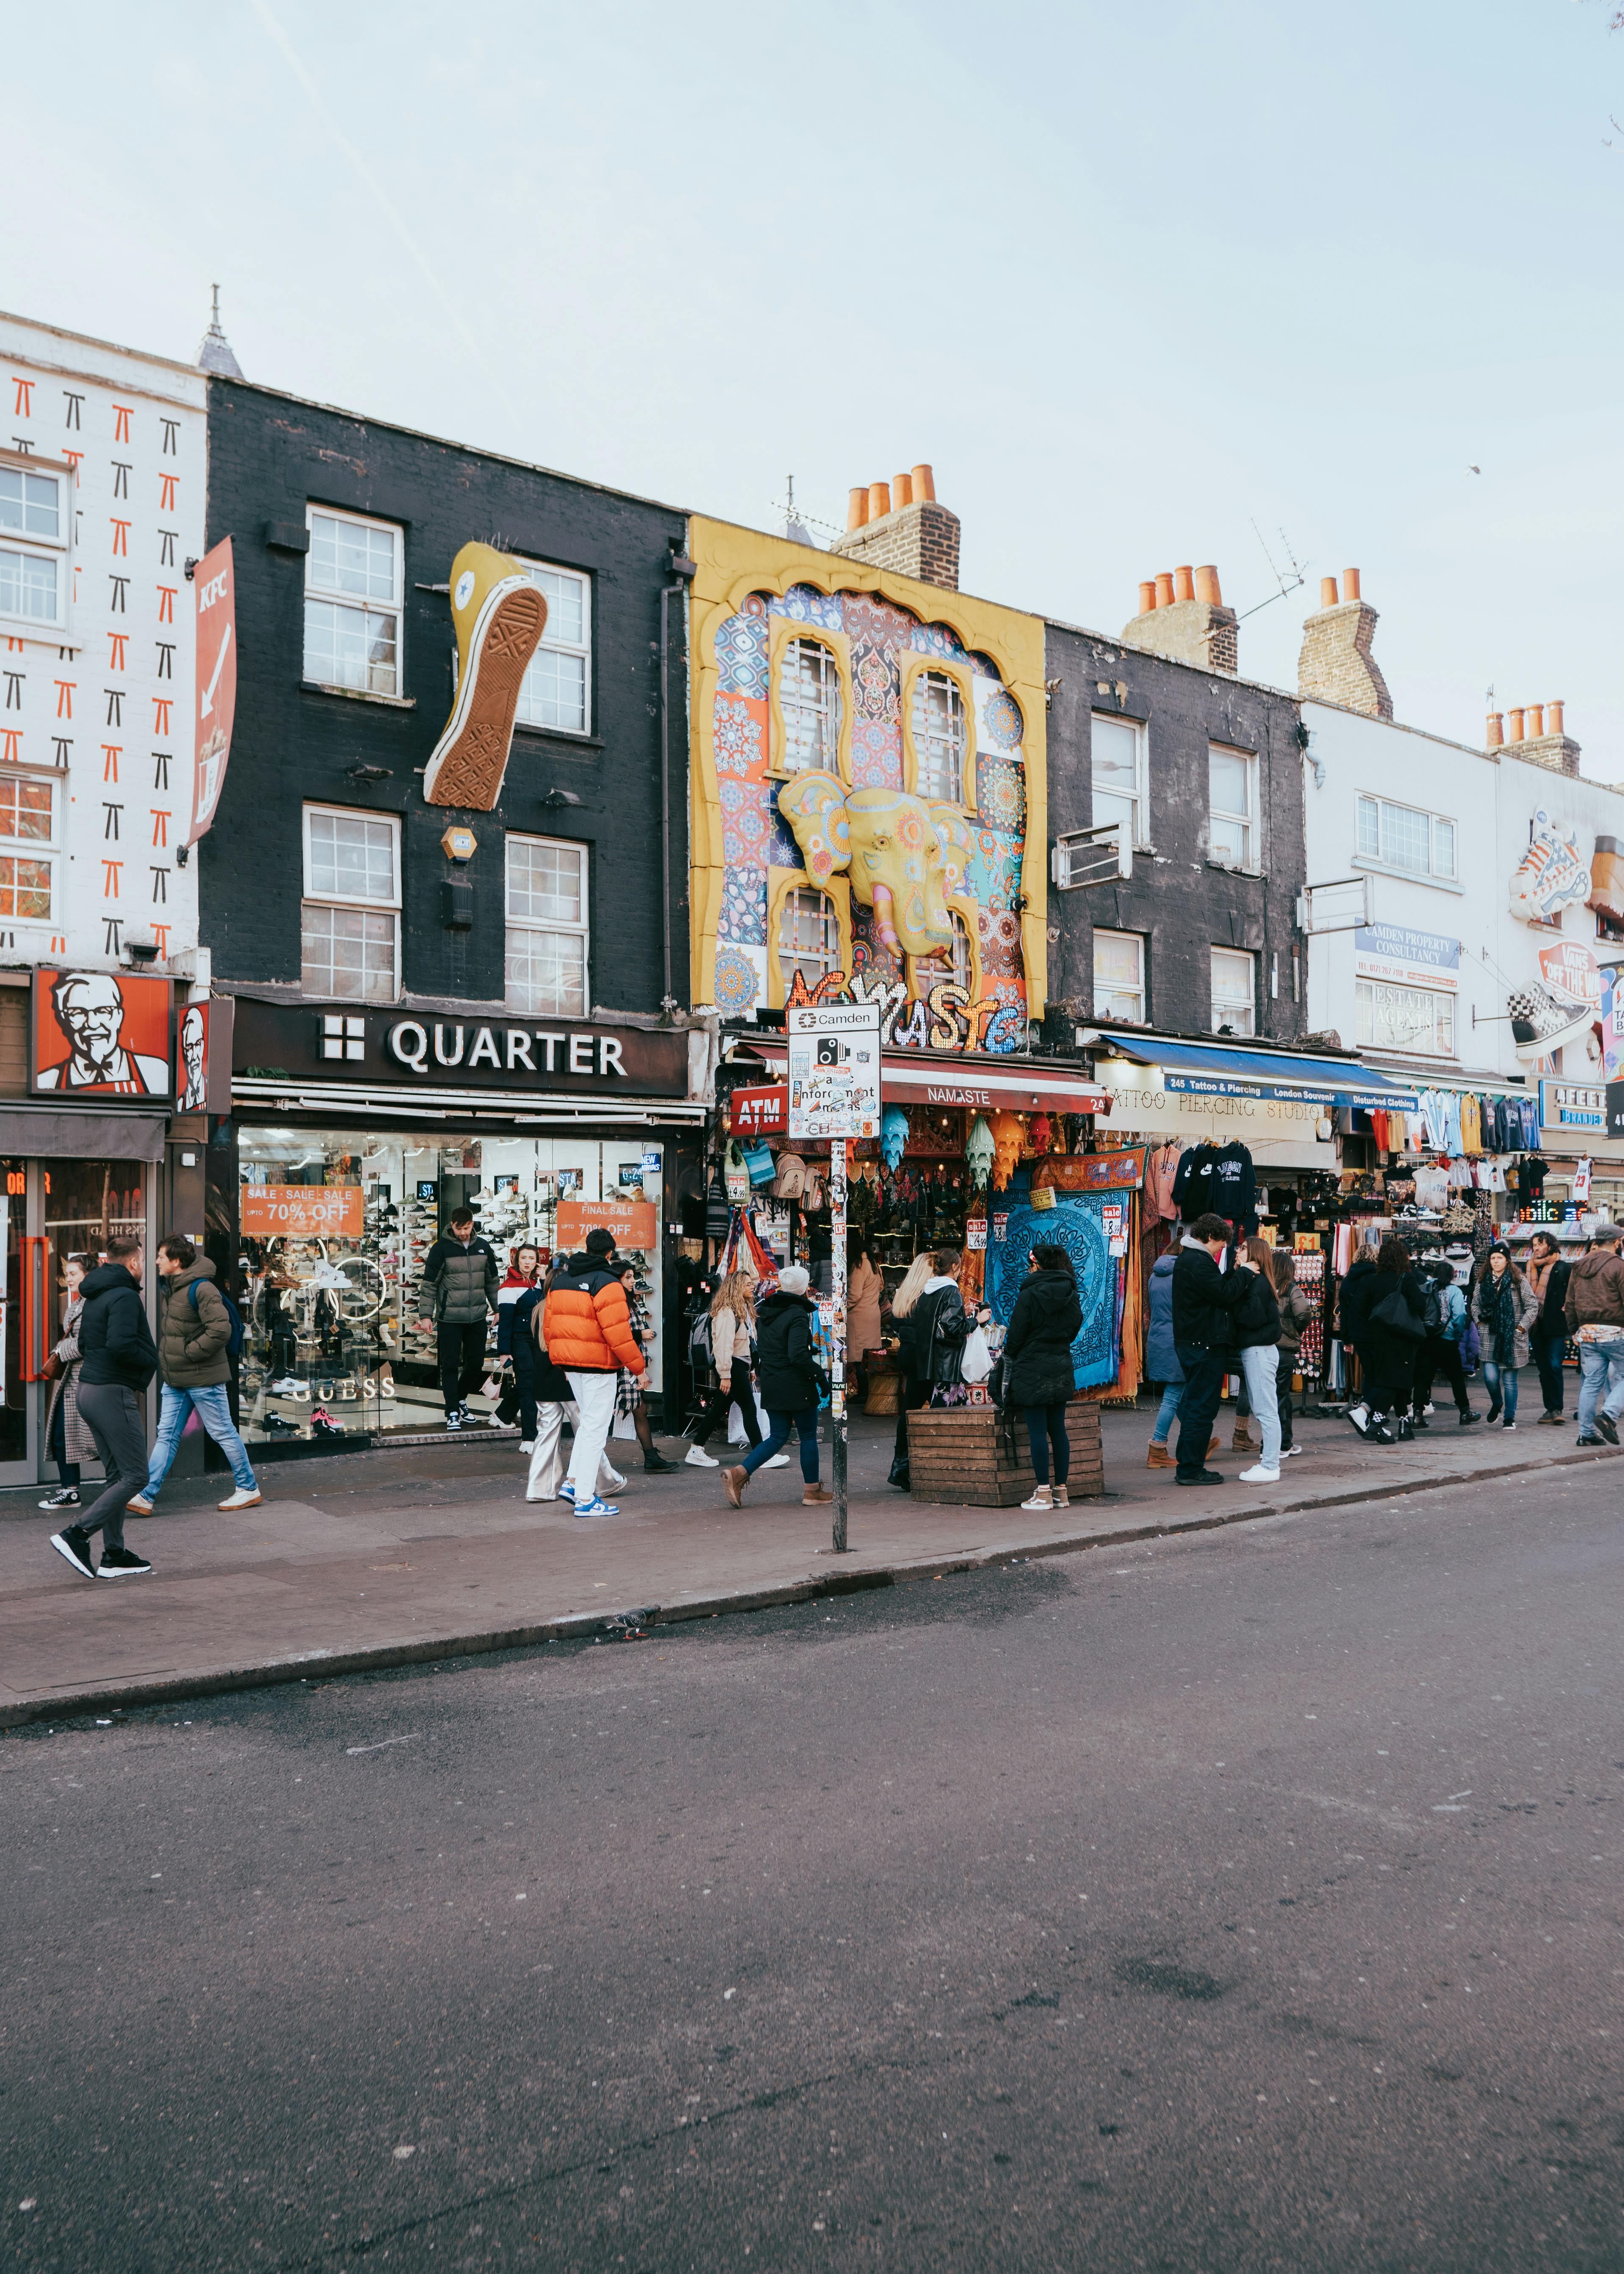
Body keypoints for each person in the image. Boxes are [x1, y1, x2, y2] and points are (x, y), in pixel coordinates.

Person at [47, 1235, 159, 1579]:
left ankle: (114, 1554)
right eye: (141, 1261)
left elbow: (83, 1342)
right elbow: (122, 1345)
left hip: (89, 1390)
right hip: (112, 1392)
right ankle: (77, 1534)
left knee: (117, 1476)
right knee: (137, 1475)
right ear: (134, 1263)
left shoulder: (92, 1295)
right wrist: (151, 1359)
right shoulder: (125, 1296)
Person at [127, 1235, 262, 1515]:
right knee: (166, 1435)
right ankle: (147, 1495)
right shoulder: (175, 1287)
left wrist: (189, 1353)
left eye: (161, 1256)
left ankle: (248, 1487)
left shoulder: (202, 1289)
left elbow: (220, 1330)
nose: (156, 1261)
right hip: (178, 1378)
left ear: (176, 1261)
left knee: (222, 1431)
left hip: (203, 1378)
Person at [541, 1225, 644, 1516]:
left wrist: (558, 1359)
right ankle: (585, 1498)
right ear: (610, 1253)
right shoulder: (608, 1283)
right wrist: (639, 1368)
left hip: (570, 1364)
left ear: (587, 1248)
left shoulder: (561, 1281)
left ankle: (575, 1483)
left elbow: (549, 1327)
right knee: (595, 1429)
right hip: (598, 1366)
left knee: (588, 1425)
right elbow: (619, 1334)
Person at [722, 1264, 829, 1507]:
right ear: (803, 1288)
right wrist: (821, 1379)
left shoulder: (766, 1312)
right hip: (796, 1384)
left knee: (777, 1436)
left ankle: (739, 1473)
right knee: (809, 1436)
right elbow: (798, 1356)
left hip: (772, 1381)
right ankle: (812, 1491)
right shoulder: (799, 1315)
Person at [1170, 1215, 1258, 1485]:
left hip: (1193, 1342)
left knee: (1196, 1404)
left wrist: (1232, 1273)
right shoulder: (1198, 1261)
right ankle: (1191, 1469)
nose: (1222, 1249)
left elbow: (1215, 1289)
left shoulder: (1190, 1259)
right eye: (1221, 1244)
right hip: (1203, 1344)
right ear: (1209, 1238)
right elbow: (1223, 1294)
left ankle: (1189, 1464)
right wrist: (1244, 1272)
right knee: (1202, 1408)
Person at [1004, 1242, 1083, 1511]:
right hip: (1061, 1365)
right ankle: (1061, 1491)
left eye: (1031, 1265)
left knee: (1037, 1431)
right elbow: (1074, 1327)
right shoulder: (1071, 1293)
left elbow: (1014, 1338)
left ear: (1037, 1265)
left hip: (1031, 1369)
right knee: (1058, 1429)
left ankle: (1043, 1492)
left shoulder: (1029, 1295)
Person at [419, 1205, 500, 1429]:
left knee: (475, 1364)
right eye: (458, 1228)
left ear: (472, 1225)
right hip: (449, 1319)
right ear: (452, 1226)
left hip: (477, 1317)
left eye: (466, 1228)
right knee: (451, 1365)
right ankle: (453, 1411)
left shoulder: (483, 1247)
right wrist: (426, 1315)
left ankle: (460, 1399)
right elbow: (429, 1286)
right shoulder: (441, 1249)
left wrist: (498, 1309)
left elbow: (492, 1282)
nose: (463, 1233)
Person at [1145, 1248, 1220, 1470]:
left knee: (1180, 1393)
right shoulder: (1182, 1274)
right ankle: (1157, 1447)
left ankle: (1198, 1440)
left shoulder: (1154, 1276)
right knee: (1174, 1394)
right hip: (1176, 1339)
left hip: (1158, 1338)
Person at [686, 1271, 768, 1468]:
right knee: (749, 1408)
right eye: (747, 1284)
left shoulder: (742, 1310)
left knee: (719, 1408)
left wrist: (750, 1368)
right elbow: (723, 1346)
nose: (752, 1287)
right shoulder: (726, 1313)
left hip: (739, 1365)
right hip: (732, 1366)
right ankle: (761, 1454)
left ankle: (697, 1448)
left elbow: (747, 1343)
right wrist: (725, 1375)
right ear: (736, 1288)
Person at [1360, 1237, 1428, 1441]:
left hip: (1379, 1338)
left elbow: (1362, 1309)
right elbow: (1420, 1305)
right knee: (1395, 1381)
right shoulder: (1405, 1279)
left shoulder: (1372, 1280)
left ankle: (1404, 1425)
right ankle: (1376, 1423)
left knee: (1395, 1380)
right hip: (1403, 1338)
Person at [1563, 1220, 1624, 1445]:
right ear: (1618, 1243)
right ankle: (1609, 1415)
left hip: (1586, 1333)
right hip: (1615, 1331)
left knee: (1591, 1383)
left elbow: (1570, 1303)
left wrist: (1574, 1330)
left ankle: (1586, 1434)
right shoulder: (1619, 1266)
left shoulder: (1578, 1266)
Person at [39, 1252, 92, 1512]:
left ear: (88, 1275)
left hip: (88, 1380)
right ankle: (70, 1491)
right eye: (67, 1274)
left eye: (74, 1274)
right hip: (72, 1382)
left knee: (103, 1439)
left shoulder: (93, 1304)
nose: (68, 1279)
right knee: (63, 1436)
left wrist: (61, 1351)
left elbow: (87, 1343)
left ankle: (132, 1485)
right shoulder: (76, 1304)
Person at [613, 1261, 677, 1471]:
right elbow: (617, 1334)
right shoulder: (618, 1300)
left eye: (633, 1277)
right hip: (624, 1363)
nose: (633, 1281)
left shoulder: (627, 1298)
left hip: (630, 1361)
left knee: (639, 1407)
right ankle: (650, 1457)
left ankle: (651, 1457)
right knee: (637, 1408)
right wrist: (639, 1334)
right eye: (628, 1277)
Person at [1231, 1235, 1284, 1482]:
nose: (1237, 1251)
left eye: (1242, 1248)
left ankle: (1271, 1465)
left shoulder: (1258, 1284)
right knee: (1264, 1408)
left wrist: (1234, 1307)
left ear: (1254, 1254)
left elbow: (1249, 1317)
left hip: (1259, 1351)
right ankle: (1269, 1463)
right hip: (1259, 1350)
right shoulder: (1260, 1282)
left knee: (1266, 1410)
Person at [1470, 1243, 1538, 1430]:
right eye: (1493, 1258)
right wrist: (1480, 1323)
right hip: (1490, 1336)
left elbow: (1532, 1306)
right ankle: (1497, 1403)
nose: (1496, 1261)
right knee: (1491, 1378)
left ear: (1507, 1260)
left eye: (1500, 1258)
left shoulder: (1519, 1281)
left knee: (1509, 1381)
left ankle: (1510, 1417)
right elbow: (1475, 1304)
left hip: (1511, 1338)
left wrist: (1521, 1328)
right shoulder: (1483, 1281)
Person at [885, 1253, 938, 1488]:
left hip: (907, 1354)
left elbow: (896, 1325)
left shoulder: (905, 1294)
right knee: (939, 1407)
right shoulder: (927, 1296)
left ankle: (901, 1465)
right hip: (922, 1356)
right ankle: (908, 1466)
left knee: (910, 1408)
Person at [1413, 1259, 1476, 1428]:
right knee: (1456, 1378)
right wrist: (1457, 1335)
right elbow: (1460, 1315)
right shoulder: (1454, 1291)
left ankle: (1417, 1416)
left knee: (1423, 1380)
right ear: (1451, 1276)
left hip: (1427, 1340)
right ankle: (1465, 1412)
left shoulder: (1426, 1289)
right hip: (1447, 1341)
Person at [495, 1244, 545, 1441]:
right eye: (524, 1258)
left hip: (536, 1340)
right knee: (529, 1387)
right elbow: (505, 1322)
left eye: (531, 1259)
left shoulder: (538, 1282)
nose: (527, 1263)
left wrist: (545, 1277)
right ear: (517, 1260)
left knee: (529, 1382)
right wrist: (504, 1351)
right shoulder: (508, 1287)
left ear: (537, 1261)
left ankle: (502, 1414)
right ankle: (529, 1438)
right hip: (519, 1339)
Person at [1270, 1246, 1314, 1460]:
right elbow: (1304, 1312)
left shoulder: (1265, 1287)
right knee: (1282, 1396)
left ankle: (1281, 1442)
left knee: (1273, 1397)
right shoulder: (1292, 1289)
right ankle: (1278, 1444)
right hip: (1285, 1348)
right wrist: (1297, 1329)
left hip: (1266, 1347)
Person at [1524, 1231, 1572, 1425]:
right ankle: (1549, 1409)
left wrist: (1568, 1305)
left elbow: (1572, 1291)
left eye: (1540, 1245)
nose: (1536, 1248)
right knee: (1544, 1369)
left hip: (1556, 1325)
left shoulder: (1562, 1267)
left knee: (1554, 1366)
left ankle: (1557, 1408)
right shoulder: (1528, 1267)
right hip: (1537, 1326)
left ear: (1550, 1246)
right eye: (1534, 1245)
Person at [1339, 1238, 1383, 1435]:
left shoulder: (1347, 1280)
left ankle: (1367, 1409)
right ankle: (1366, 1410)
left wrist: (1347, 1339)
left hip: (1357, 1334)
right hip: (1375, 1333)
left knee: (1369, 1373)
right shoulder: (1376, 1278)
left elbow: (1344, 1313)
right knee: (1380, 1375)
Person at [847, 1240, 884, 1405]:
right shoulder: (874, 1264)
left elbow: (854, 1295)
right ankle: (869, 1391)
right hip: (873, 1313)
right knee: (868, 1355)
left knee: (858, 1356)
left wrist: (841, 1308)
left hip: (859, 1316)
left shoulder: (860, 1265)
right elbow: (882, 1287)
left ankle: (863, 1393)